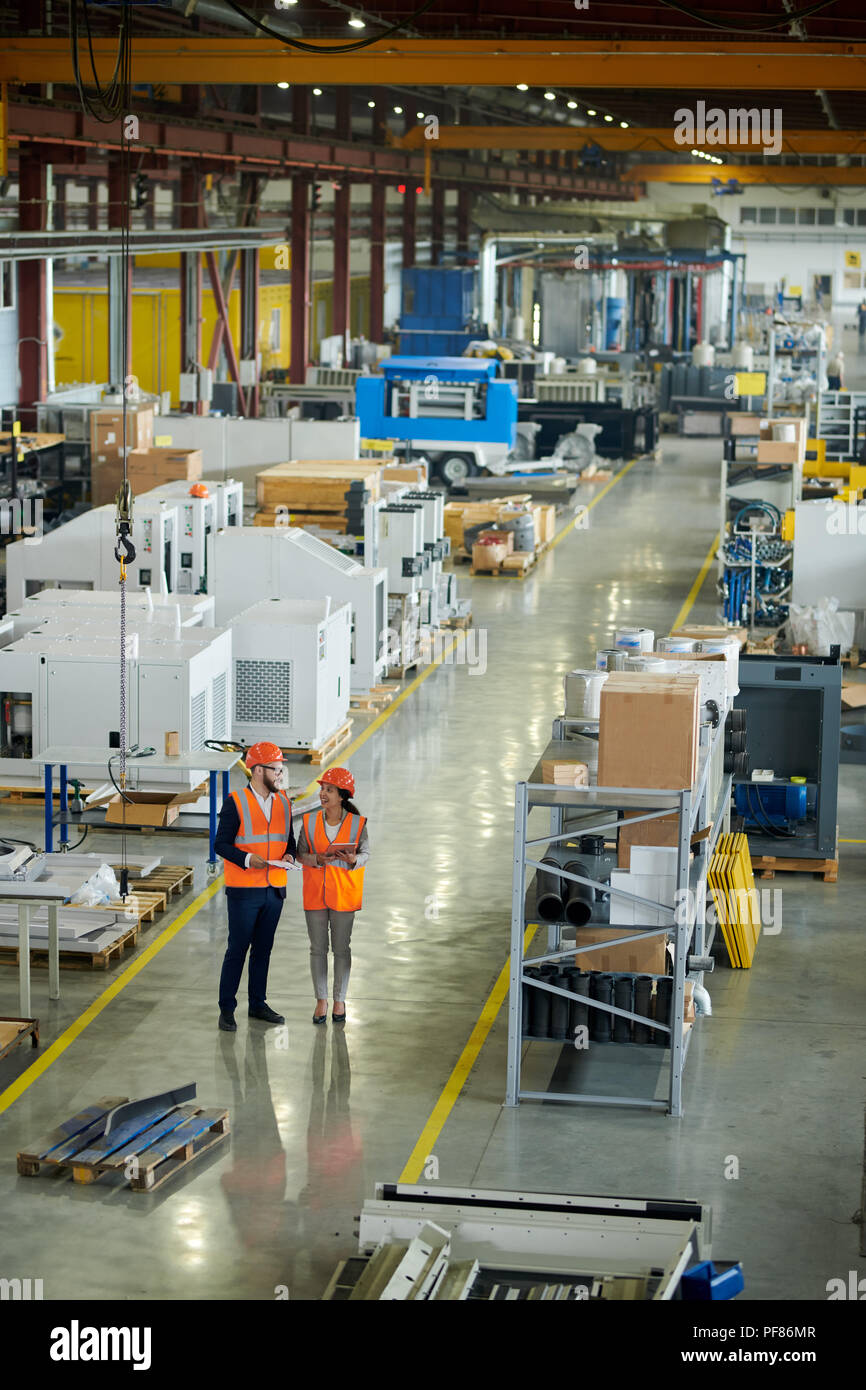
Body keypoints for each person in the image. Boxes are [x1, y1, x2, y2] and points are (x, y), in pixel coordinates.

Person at [215, 741, 297, 1033]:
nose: (280, 775)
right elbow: (221, 844)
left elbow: (290, 840)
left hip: (274, 889)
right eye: (276, 769)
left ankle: (258, 1003)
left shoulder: (285, 802)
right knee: (237, 949)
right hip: (244, 890)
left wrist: (290, 855)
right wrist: (249, 859)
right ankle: (227, 1008)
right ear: (258, 770)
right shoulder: (235, 802)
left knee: (263, 949)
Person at [296, 767, 369, 1024]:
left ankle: (340, 1000)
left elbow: (366, 854)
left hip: (343, 895)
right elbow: (299, 854)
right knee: (317, 949)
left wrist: (354, 859)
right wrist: (316, 858)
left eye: (329, 790)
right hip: (315, 893)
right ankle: (321, 1001)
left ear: (342, 796)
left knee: (341, 949)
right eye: (322, 789)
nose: (323, 794)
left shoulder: (357, 824)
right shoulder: (309, 822)